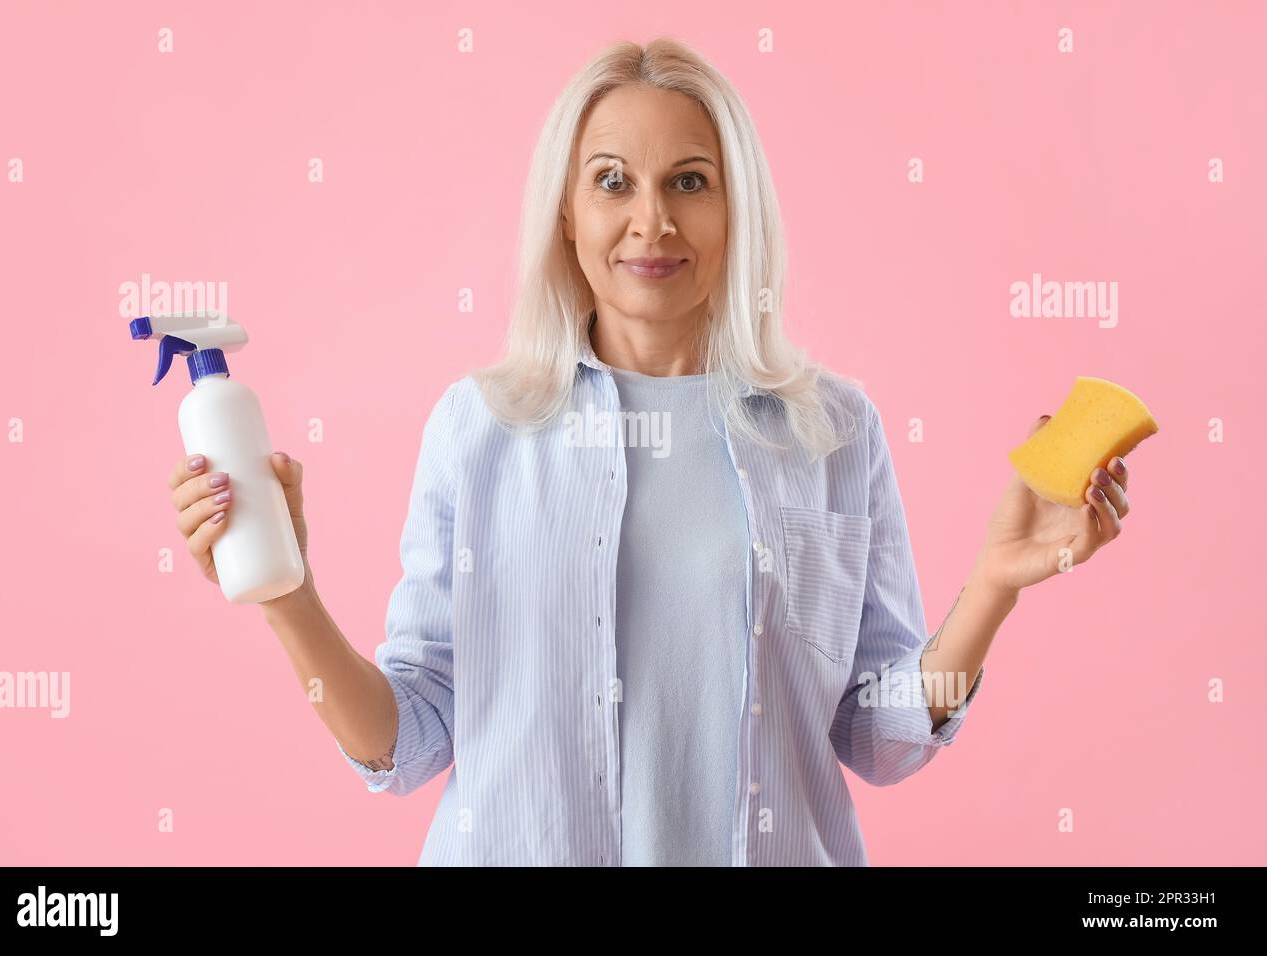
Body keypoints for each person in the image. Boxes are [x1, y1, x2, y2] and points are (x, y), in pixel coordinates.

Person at [166, 38, 1133, 866]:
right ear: (566, 214)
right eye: (613, 182)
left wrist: (994, 586)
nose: (652, 222)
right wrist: (286, 595)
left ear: (736, 210)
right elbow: (409, 742)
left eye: (690, 183)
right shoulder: (480, 428)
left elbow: (877, 740)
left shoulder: (831, 429)